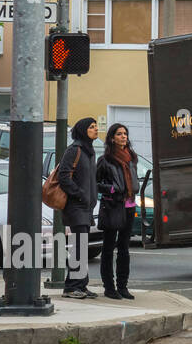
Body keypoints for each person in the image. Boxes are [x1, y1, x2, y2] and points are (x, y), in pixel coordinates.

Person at [57, 117, 99, 299]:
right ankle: (72, 287)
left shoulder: (89, 151)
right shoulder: (74, 150)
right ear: (83, 130)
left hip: (86, 207)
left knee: (82, 247)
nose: (96, 129)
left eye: (96, 126)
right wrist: (80, 194)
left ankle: (80, 285)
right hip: (76, 206)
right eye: (92, 127)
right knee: (79, 247)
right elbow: (63, 177)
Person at [96, 123, 139, 300]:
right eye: (119, 134)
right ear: (112, 138)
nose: (123, 137)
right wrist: (111, 189)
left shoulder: (132, 157)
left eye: (125, 134)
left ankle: (123, 286)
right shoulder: (105, 160)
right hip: (113, 206)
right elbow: (96, 183)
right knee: (108, 248)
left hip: (129, 206)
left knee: (124, 248)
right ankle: (109, 287)